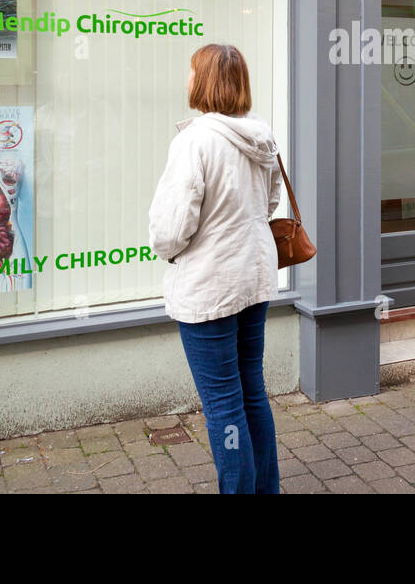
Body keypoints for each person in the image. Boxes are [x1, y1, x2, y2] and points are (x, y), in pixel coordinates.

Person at [149, 43, 282, 493]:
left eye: (191, 72)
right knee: (251, 393)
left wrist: (169, 251)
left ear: (203, 81)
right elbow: (270, 203)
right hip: (254, 279)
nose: (187, 80)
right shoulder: (261, 136)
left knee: (223, 405)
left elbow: (170, 229)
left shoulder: (194, 140)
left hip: (210, 288)